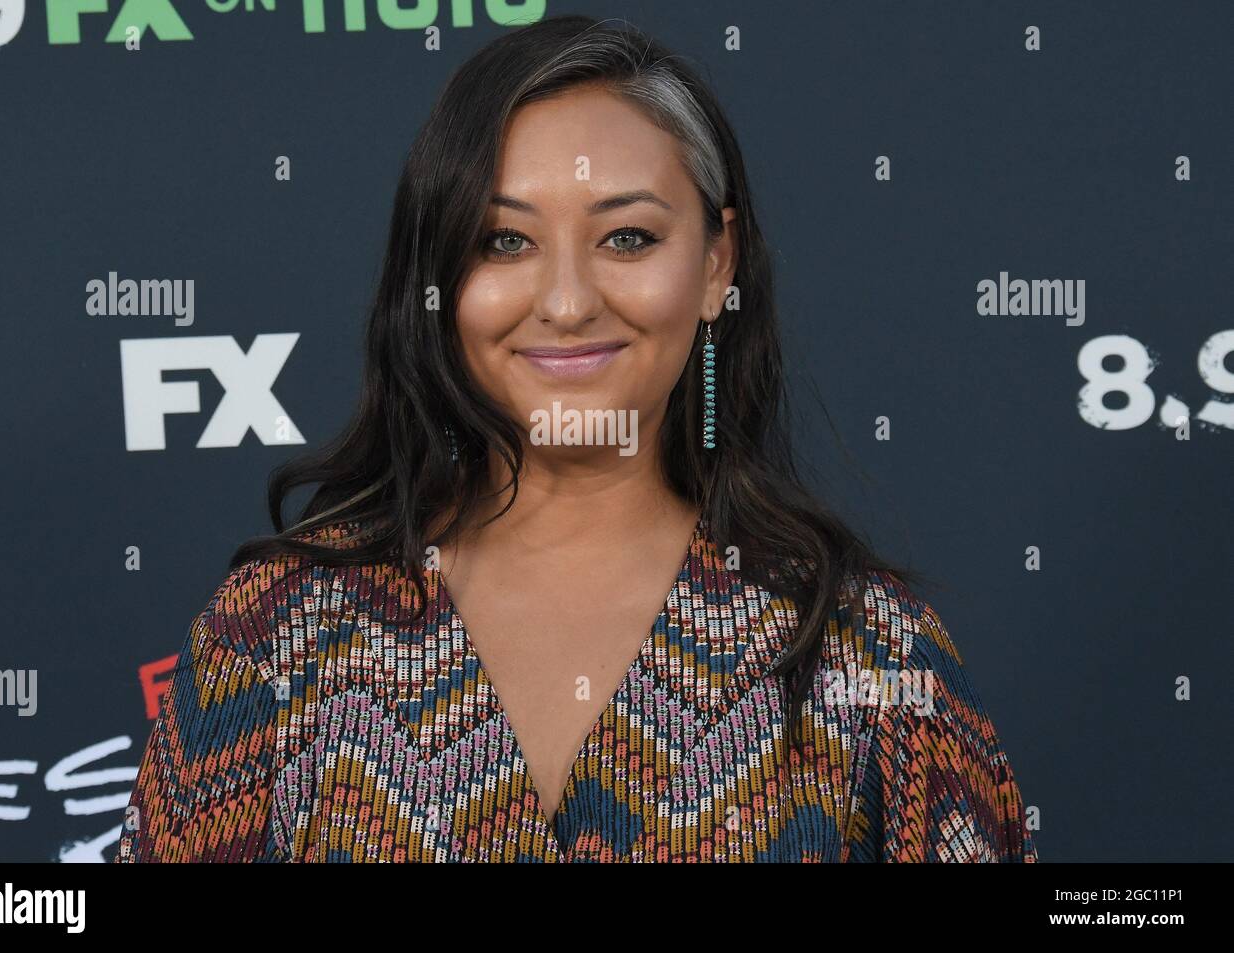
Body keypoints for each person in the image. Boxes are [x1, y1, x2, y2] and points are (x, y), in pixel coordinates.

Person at [117, 14, 1038, 863]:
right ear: (437, 277)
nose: (565, 302)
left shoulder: (863, 649)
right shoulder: (279, 632)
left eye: (628, 237)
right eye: (503, 242)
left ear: (717, 263)